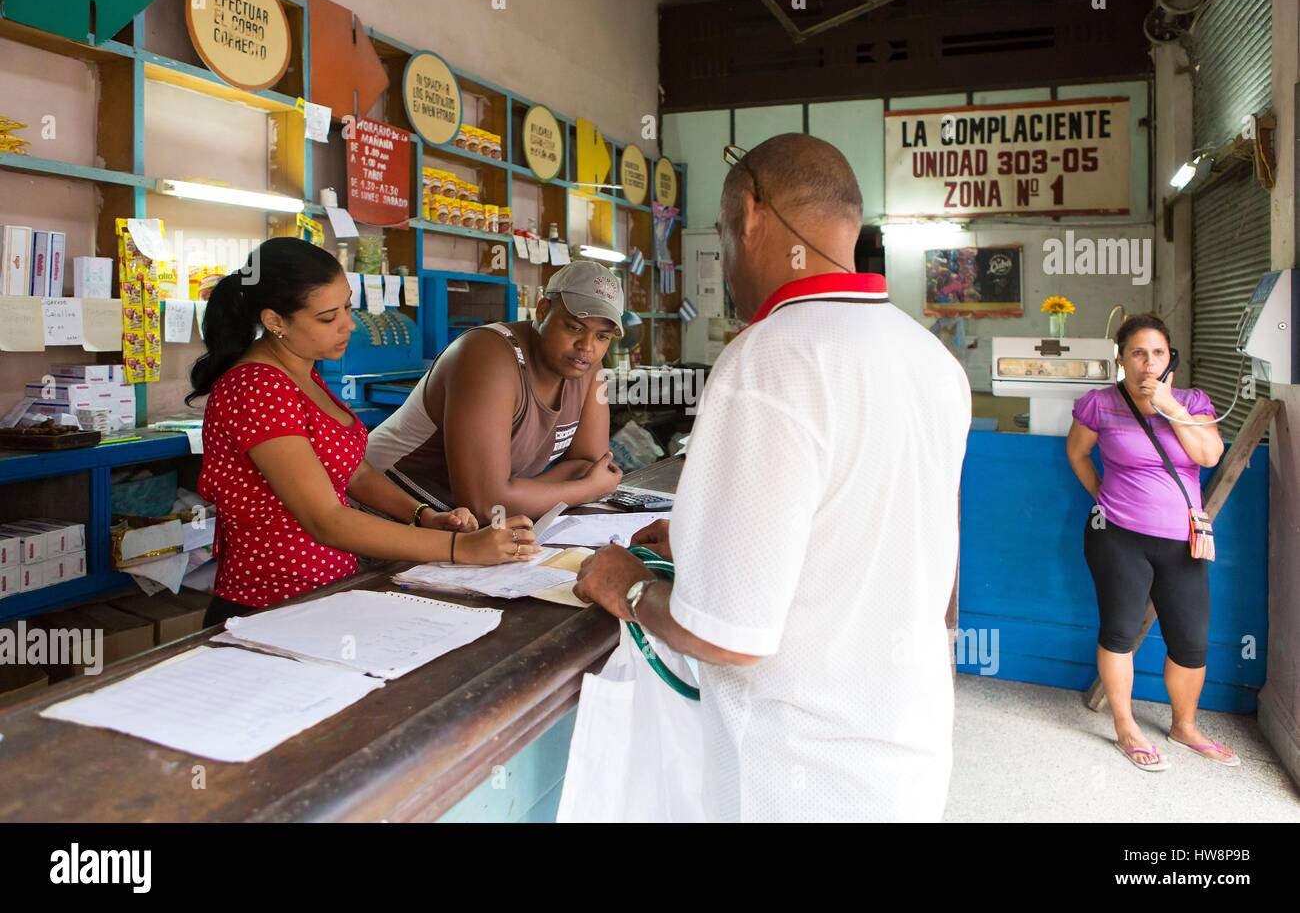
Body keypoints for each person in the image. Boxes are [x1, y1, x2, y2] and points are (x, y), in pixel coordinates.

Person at [572, 133, 971, 821]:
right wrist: (707, 543)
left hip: (797, 779)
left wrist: (625, 583)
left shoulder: (769, 358)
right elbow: (895, 555)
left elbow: (729, 636)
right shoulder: (929, 358)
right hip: (907, 760)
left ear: (751, 213)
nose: (727, 261)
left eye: (725, 233)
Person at [189, 238, 538, 628]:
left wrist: (423, 515)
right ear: (274, 322)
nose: (348, 325)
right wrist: (461, 548)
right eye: (327, 317)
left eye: (348, 307)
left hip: (329, 590)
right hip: (269, 605)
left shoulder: (304, 372)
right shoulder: (257, 387)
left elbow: (355, 473)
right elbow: (326, 519)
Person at [1066, 314, 1235, 771]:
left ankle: (1185, 726)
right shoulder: (1100, 405)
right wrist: (1101, 493)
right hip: (1117, 537)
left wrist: (1170, 407)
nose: (1148, 362)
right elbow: (1077, 453)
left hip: (1181, 541)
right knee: (1119, 633)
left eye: (1157, 353)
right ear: (1121, 359)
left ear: (1170, 359)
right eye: (1138, 353)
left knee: (1191, 640)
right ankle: (1126, 727)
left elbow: (1209, 455)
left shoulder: (1193, 401)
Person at [366, 260, 624, 521]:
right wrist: (586, 489)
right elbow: (487, 504)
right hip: (383, 511)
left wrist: (513, 494)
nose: (587, 346)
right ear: (543, 310)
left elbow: (590, 465)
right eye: (574, 327)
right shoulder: (488, 356)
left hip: (458, 525)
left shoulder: (586, 366)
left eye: (602, 336)